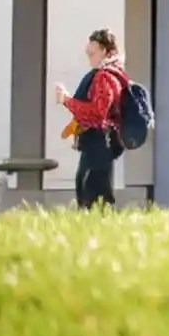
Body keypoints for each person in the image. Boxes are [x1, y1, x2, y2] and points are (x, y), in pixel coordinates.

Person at [55, 28, 128, 209]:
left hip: (99, 141)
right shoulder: (112, 73)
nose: (90, 58)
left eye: (92, 53)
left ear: (104, 51)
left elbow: (97, 111)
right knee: (91, 187)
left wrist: (67, 100)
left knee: (91, 190)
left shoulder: (105, 76)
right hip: (100, 141)